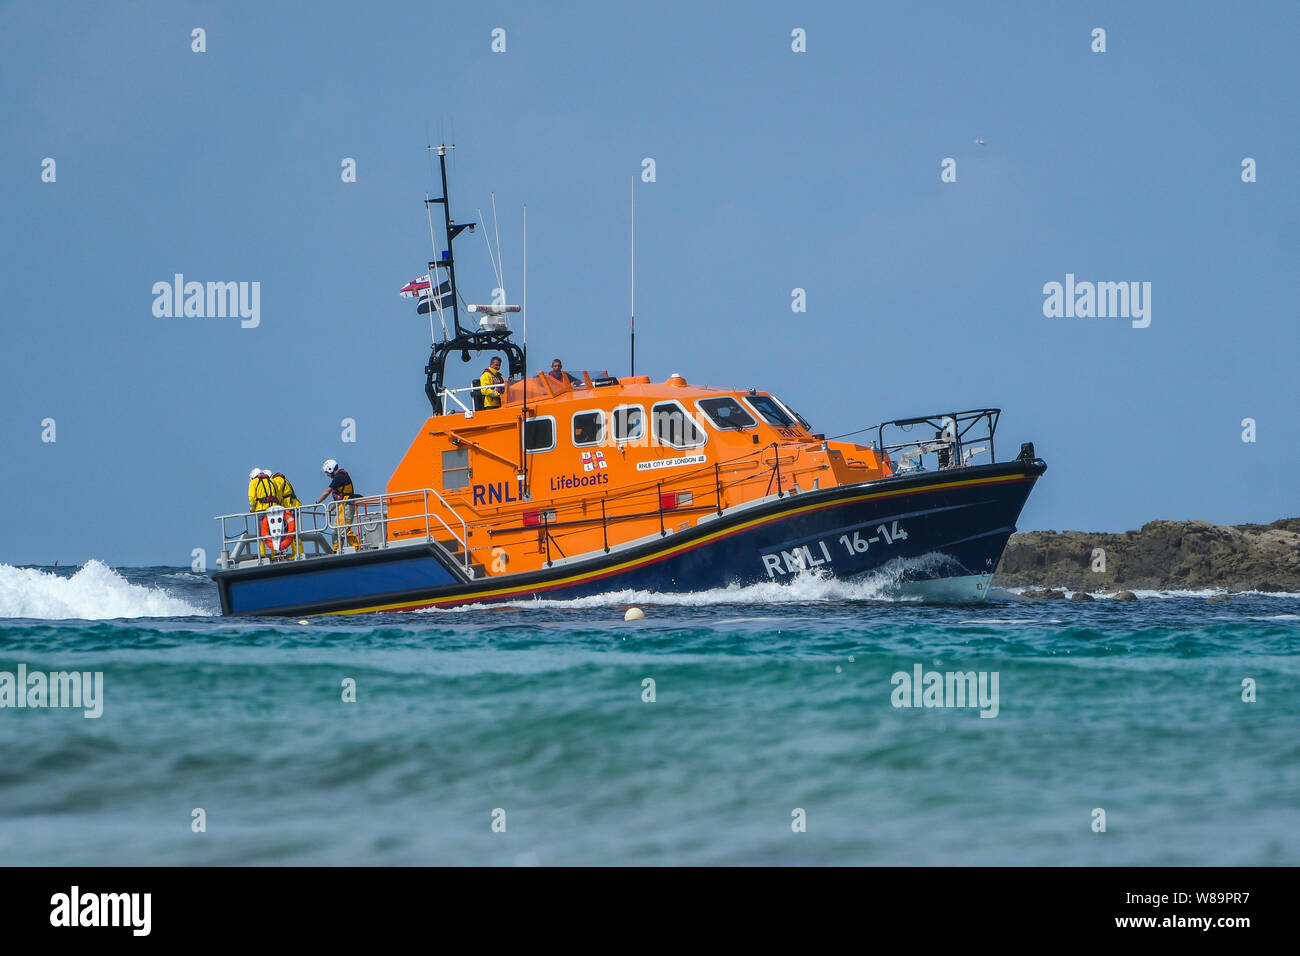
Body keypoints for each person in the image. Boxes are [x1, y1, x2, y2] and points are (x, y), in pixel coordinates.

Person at [317, 459, 361, 551]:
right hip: (341, 505)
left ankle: (357, 548)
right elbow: (338, 499)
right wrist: (329, 510)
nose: (327, 475)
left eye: (327, 472)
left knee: (344, 530)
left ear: (330, 469)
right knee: (335, 531)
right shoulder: (338, 478)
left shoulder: (340, 476)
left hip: (347, 505)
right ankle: (336, 550)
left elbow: (327, 492)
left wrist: (317, 503)